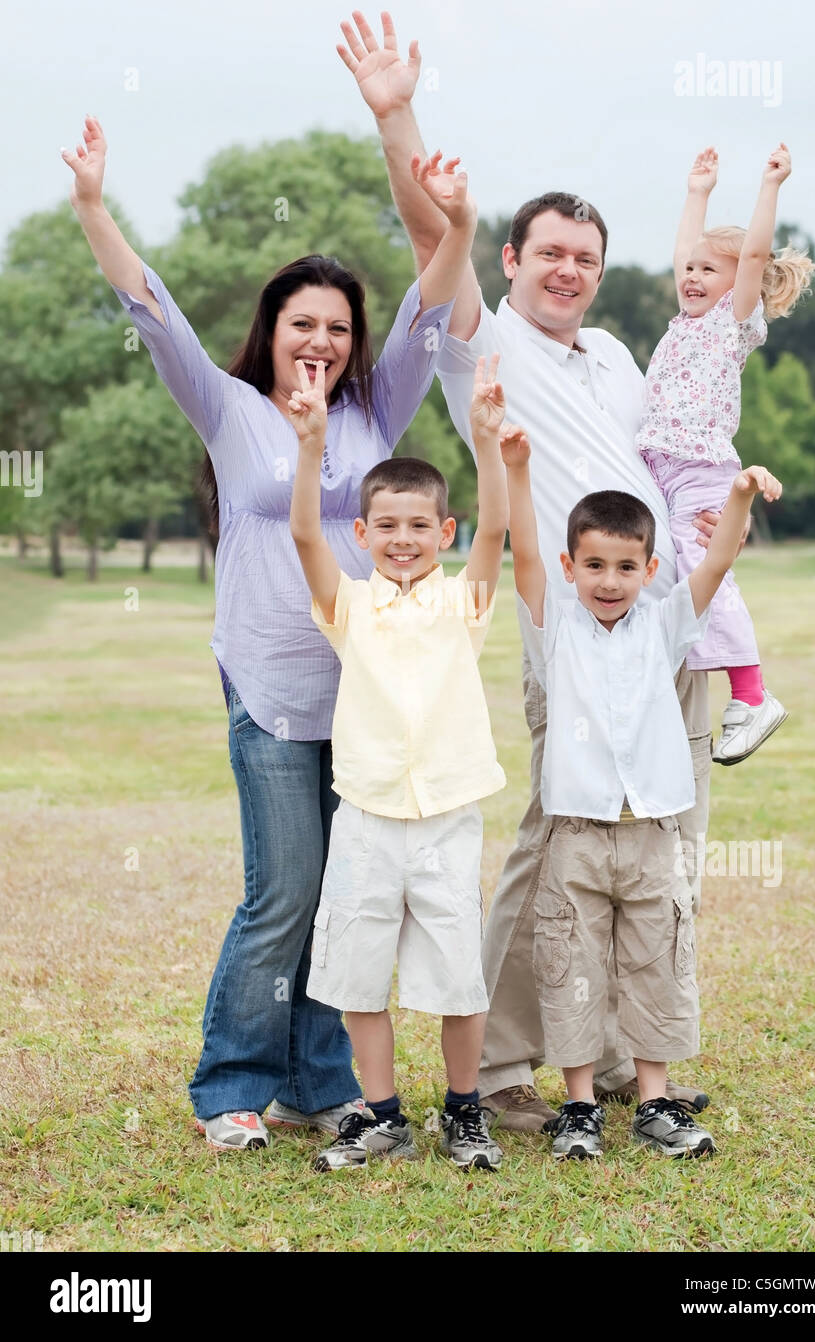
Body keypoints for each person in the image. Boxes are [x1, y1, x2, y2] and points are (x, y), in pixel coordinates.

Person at [337, 10, 728, 1128]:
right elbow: (430, 236)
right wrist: (395, 114)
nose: (568, 271)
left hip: (662, 622)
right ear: (511, 261)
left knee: (651, 838)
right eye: (548, 253)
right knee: (554, 839)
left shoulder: (608, 354)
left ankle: (612, 1052)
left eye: (586, 260)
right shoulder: (482, 340)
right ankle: (504, 1065)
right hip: (569, 621)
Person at [62, 116, 470, 1150]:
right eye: (302, 324)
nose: (320, 342)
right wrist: (94, 208)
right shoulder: (227, 406)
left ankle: (315, 1081)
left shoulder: (380, 405)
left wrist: (458, 223)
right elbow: (150, 310)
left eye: (336, 326)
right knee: (282, 891)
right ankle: (233, 1083)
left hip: (372, 698)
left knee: (343, 896)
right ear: (273, 328)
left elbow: (433, 297)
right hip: (271, 685)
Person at [501, 410, 782, 1159]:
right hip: (579, 837)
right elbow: (523, 551)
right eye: (593, 566)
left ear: (649, 571)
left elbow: (717, 565)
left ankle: (656, 1102)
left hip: (654, 832)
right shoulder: (553, 627)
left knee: (658, 963)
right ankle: (581, 1107)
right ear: (572, 569)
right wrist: (519, 470)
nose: (609, 580)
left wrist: (742, 495)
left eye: (626, 567)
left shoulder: (664, 625)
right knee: (571, 966)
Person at [286, 349, 508, 1171]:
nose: (404, 538)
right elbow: (304, 530)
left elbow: (496, 528)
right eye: (388, 525)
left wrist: (486, 441)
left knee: (459, 978)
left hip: (448, 814)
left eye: (420, 525)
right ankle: (381, 1115)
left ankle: (463, 1111)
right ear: (365, 534)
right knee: (356, 975)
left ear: (440, 532)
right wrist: (310, 446)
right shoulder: (348, 604)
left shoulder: (465, 601)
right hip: (369, 817)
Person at [637, 143, 815, 765]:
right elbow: (688, 250)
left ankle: (751, 693)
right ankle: (679, 681)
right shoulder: (682, 323)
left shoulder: (730, 322)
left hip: (703, 468)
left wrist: (769, 186)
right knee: (671, 567)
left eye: (709, 272)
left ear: (737, 286)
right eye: (688, 270)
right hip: (662, 470)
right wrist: (697, 193)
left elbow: (755, 256)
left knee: (709, 568)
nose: (691, 277)